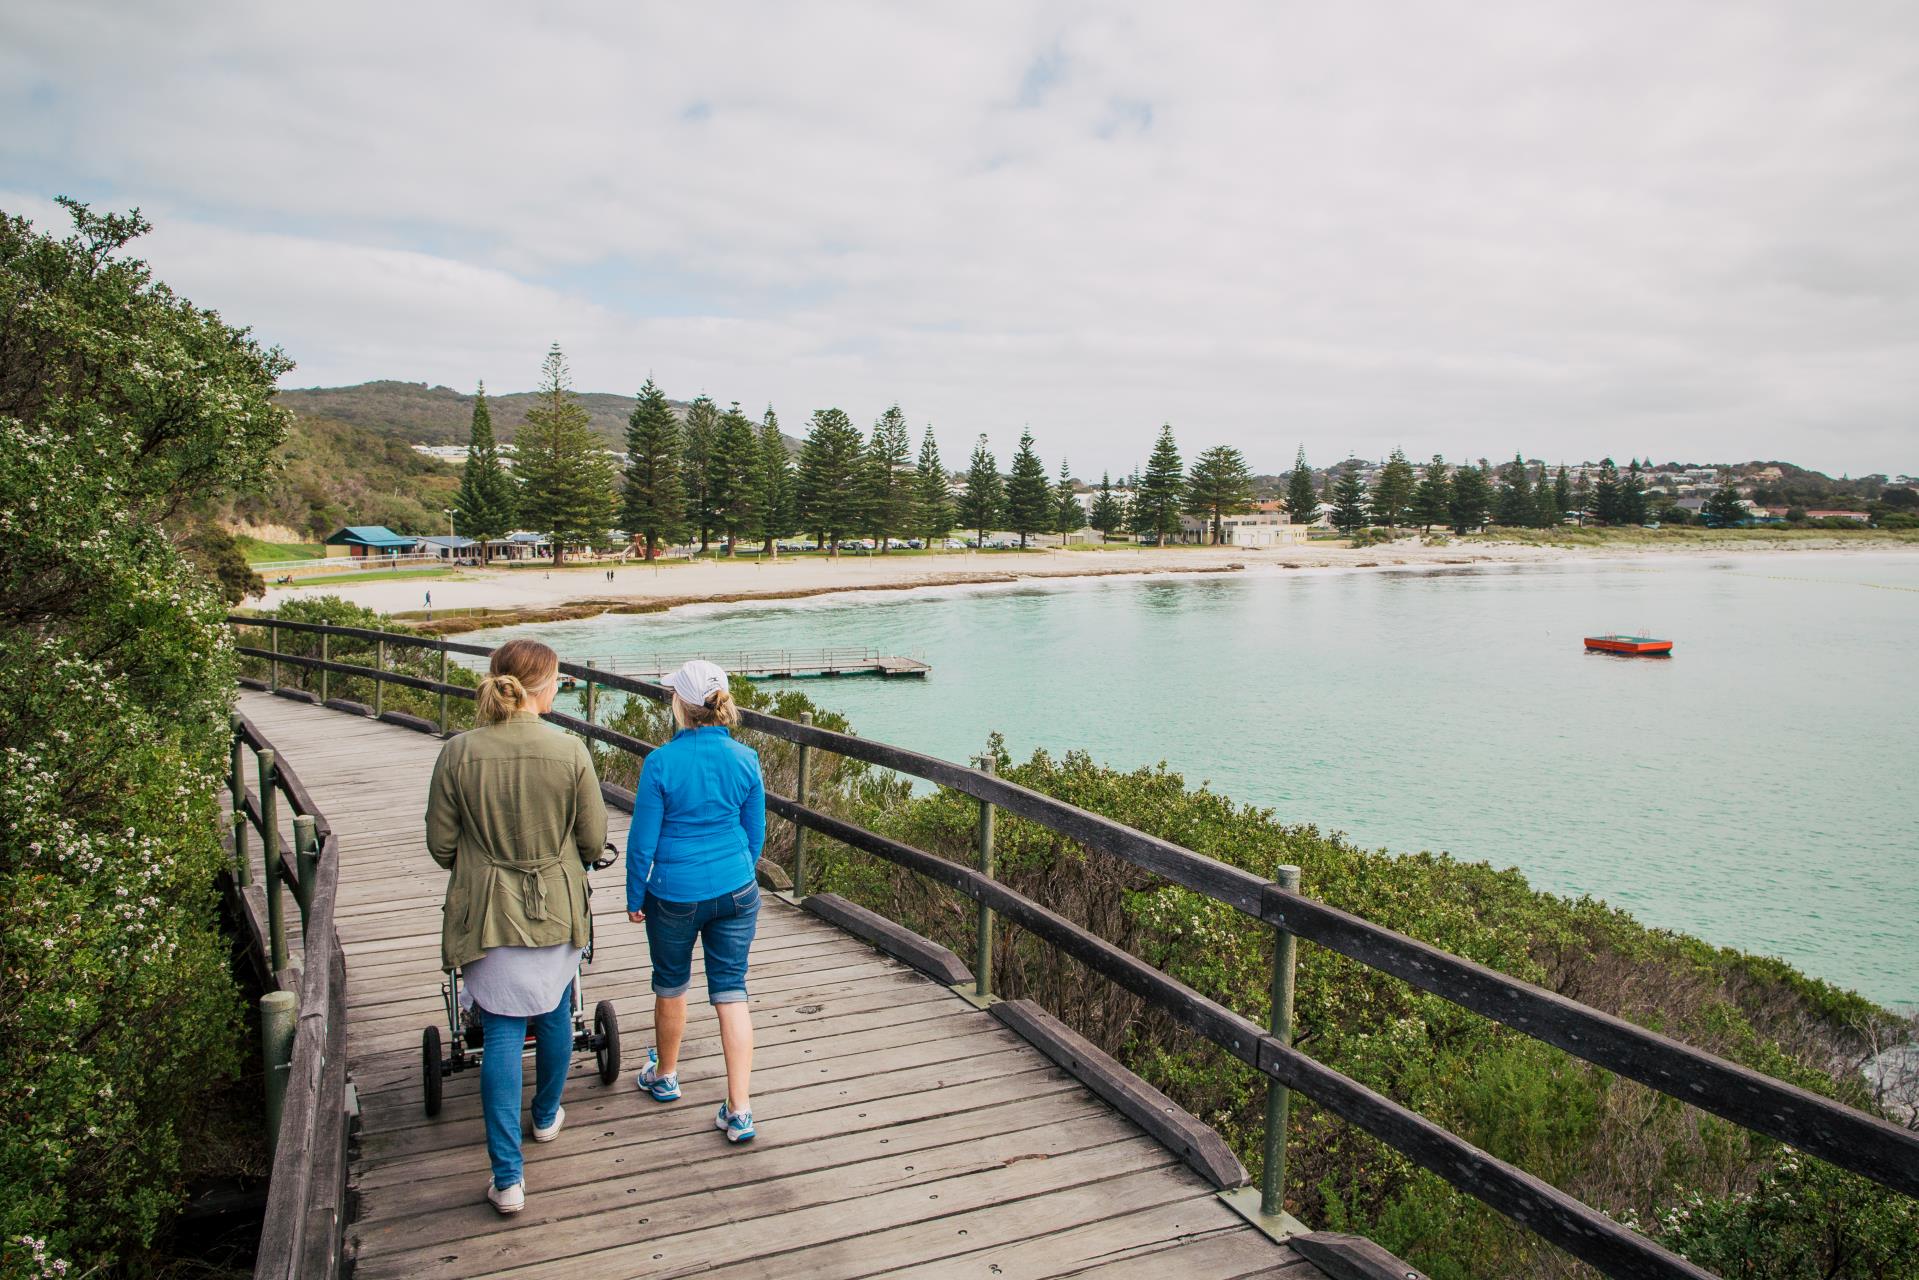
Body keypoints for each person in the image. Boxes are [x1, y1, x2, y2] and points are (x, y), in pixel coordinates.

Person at [425, 638, 607, 1214]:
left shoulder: (458, 753)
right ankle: (547, 1114)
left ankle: (508, 1179)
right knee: (555, 1008)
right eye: (557, 681)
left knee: (502, 1030)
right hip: (554, 905)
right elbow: (593, 842)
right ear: (542, 688)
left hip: (487, 909)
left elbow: (441, 845)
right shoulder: (570, 750)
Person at [626, 659, 764, 1144]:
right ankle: (740, 1109)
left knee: (671, 984)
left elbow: (642, 841)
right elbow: (754, 834)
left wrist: (634, 892)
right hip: (736, 889)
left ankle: (665, 1076)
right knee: (732, 990)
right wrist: (738, 873)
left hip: (673, 893)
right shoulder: (746, 759)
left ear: (679, 705)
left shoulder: (660, 763)